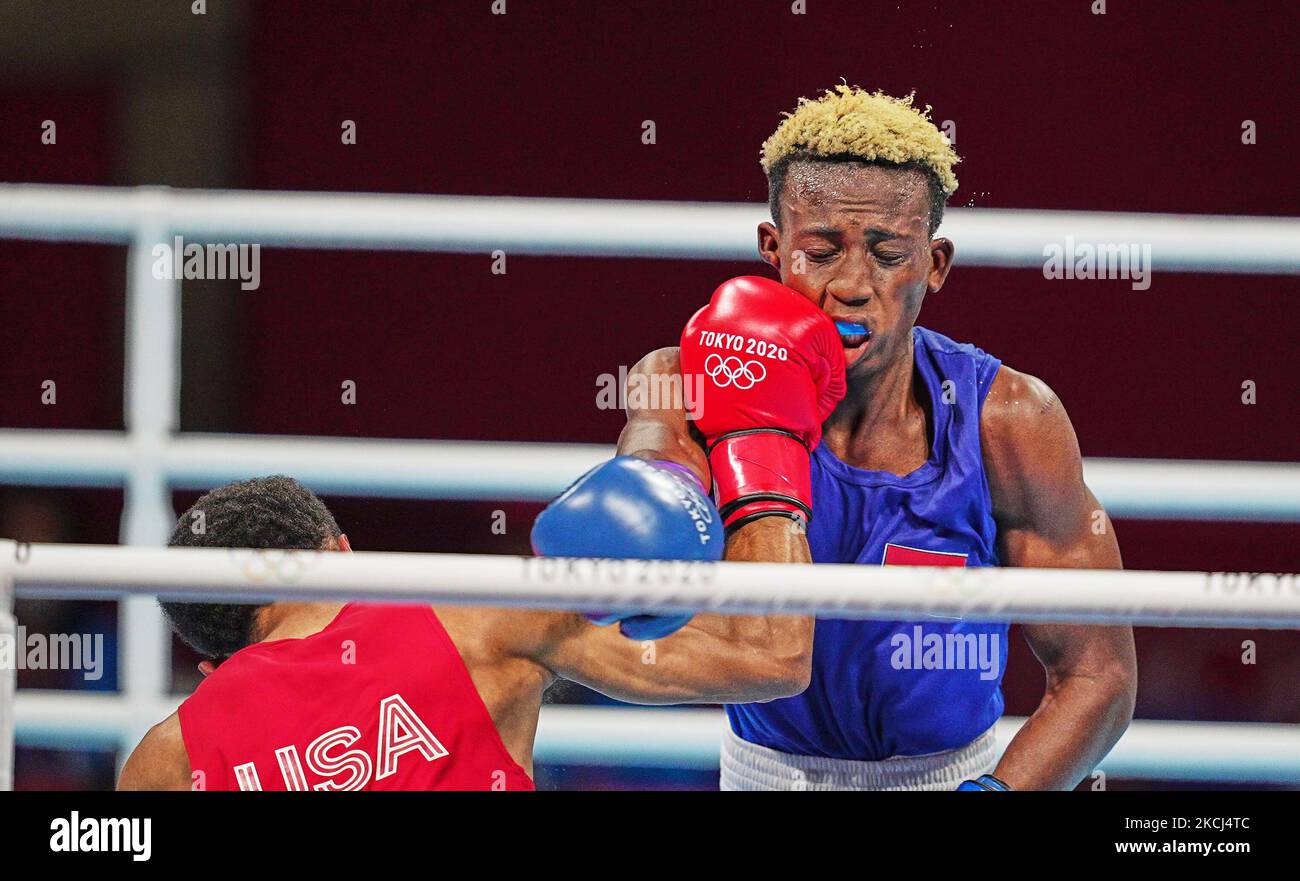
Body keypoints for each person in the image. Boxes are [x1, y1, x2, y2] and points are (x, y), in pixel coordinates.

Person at [584, 85, 1137, 790]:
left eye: (886, 253)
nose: (851, 284)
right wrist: (666, 483)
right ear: (773, 249)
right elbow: (642, 526)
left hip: (954, 776)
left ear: (934, 265)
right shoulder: (688, 384)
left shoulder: (1009, 419)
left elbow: (1100, 673)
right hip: (764, 775)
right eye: (820, 251)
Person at [117, 474, 809, 791]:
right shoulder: (478, 618)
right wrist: (760, 467)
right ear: (338, 553)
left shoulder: (167, 757)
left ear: (210, 660)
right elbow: (773, 658)